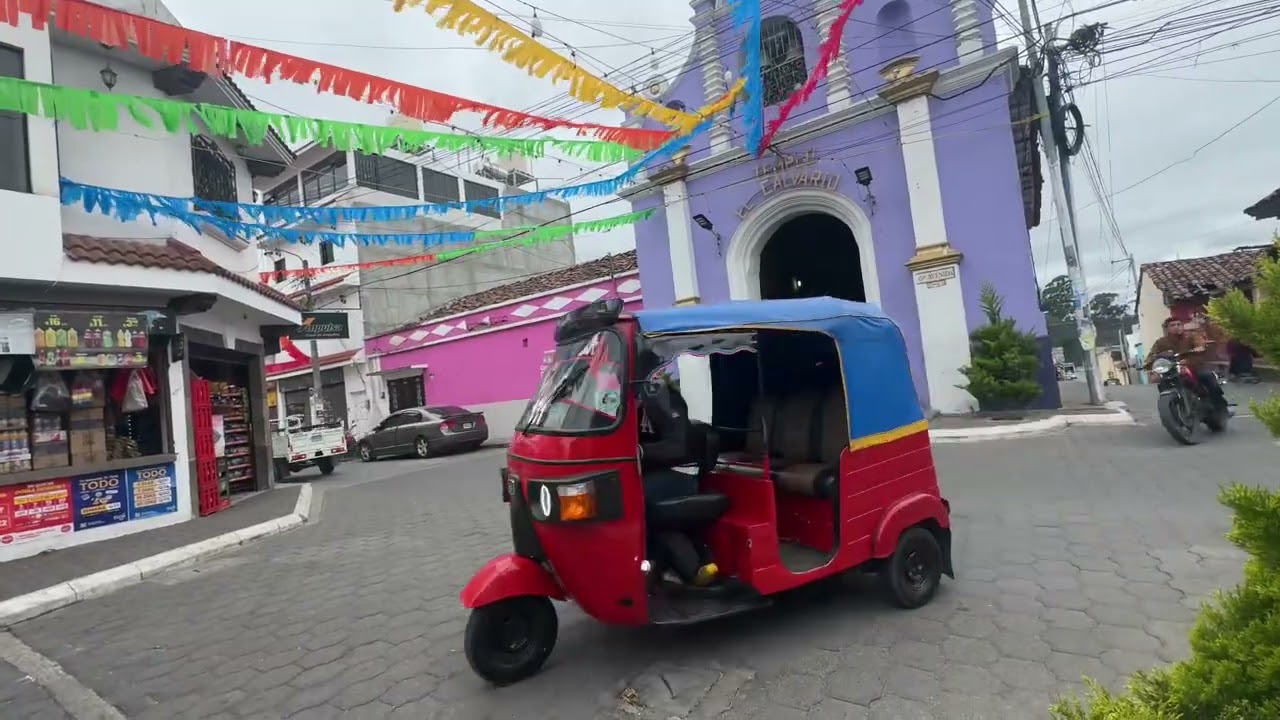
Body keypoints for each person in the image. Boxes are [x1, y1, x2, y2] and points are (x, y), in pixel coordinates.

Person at [636, 352, 718, 586]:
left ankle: (683, 567)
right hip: (658, 470)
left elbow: (678, 447)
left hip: (681, 472)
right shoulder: (638, 399)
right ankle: (660, 564)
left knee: (630, 498)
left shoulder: (666, 399)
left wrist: (641, 451)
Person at [1145, 317, 1225, 405]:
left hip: (1194, 366)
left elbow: (1200, 344)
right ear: (1167, 328)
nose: (1176, 327)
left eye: (1178, 324)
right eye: (1172, 325)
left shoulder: (1191, 336)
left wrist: (1200, 347)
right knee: (1163, 382)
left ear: (1182, 326)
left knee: (1208, 377)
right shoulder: (1161, 342)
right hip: (1172, 369)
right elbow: (1151, 355)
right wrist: (1150, 363)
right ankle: (1171, 405)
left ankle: (1220, 405)